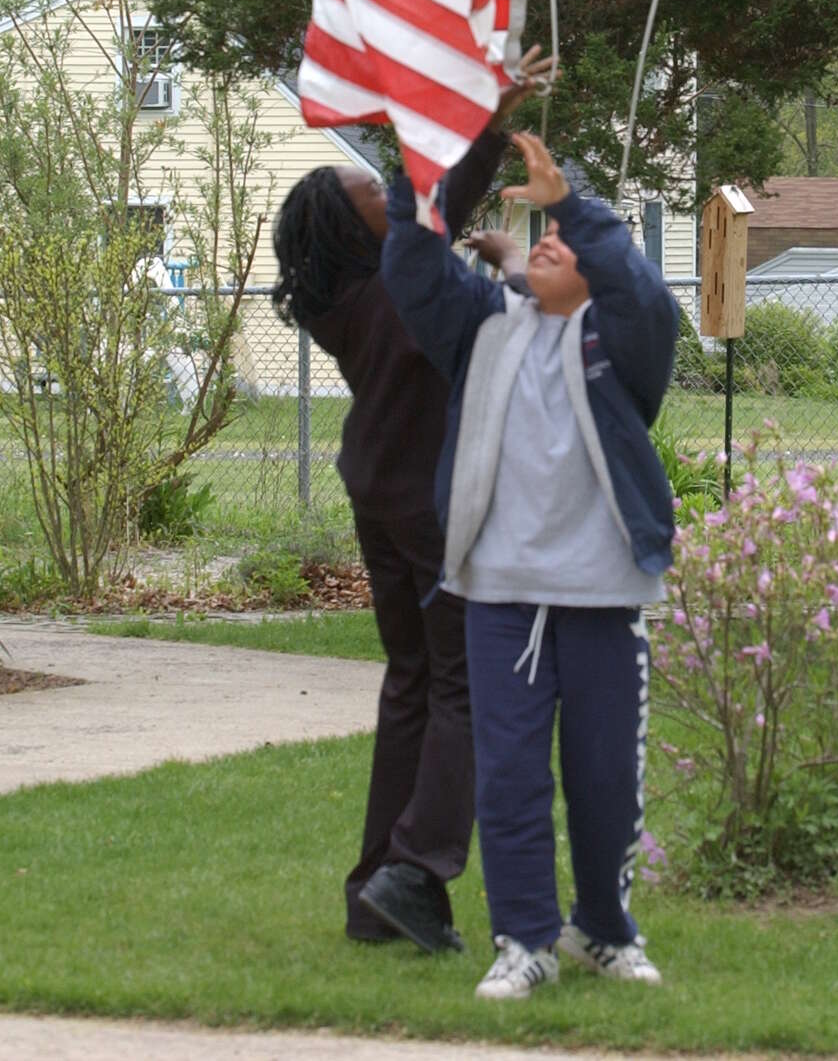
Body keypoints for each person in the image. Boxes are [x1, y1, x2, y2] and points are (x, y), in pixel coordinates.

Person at [382, 131, 679, 1000]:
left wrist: (566, 203)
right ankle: (525, 941)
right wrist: (417, 166)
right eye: (541, 241)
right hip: (501, 594)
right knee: (509, 777)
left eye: (567, 244)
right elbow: (411, 261)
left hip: (602, 596)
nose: (551, 242)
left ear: (590, 274)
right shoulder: (481, 329)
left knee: (604, 780)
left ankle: (603, 932)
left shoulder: (623, 347)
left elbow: (643, 293)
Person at [270, 55, 549, 955]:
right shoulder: (392, 282)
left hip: (379, 492)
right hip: (433, 501)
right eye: (369, 197)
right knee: (468, 681)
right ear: (357, 233)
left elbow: (422, 203)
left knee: (413, 685)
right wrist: (490, 114)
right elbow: (430, 200)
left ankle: (371, 897)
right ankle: (416, 868)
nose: (386, 199)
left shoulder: (344, 299)